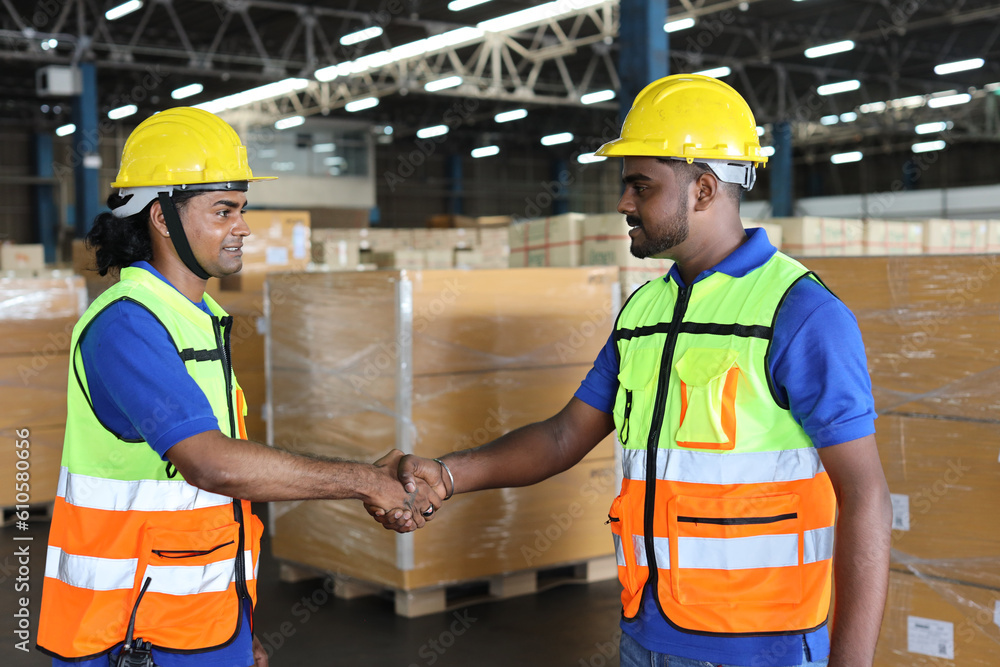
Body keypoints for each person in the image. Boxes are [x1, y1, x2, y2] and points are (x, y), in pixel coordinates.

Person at [372, 75, 892, 667]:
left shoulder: (800, 313)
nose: (623, 203)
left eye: (640, 186)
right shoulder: (644, 311)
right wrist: (446, 474)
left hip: (760, 645)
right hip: (645, 631)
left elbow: (866, 496)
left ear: (703, 189)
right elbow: (563, 436)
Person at [37, 107, 439, 667]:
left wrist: (237, 625)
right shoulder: (127, 325)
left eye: (242, 210)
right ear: (161, 217)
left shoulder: (196, 319)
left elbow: (212, 503)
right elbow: (213, 465)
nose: (243, 227)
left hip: (200, 627)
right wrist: (365, 481)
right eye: (224, 210)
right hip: (132, 638)